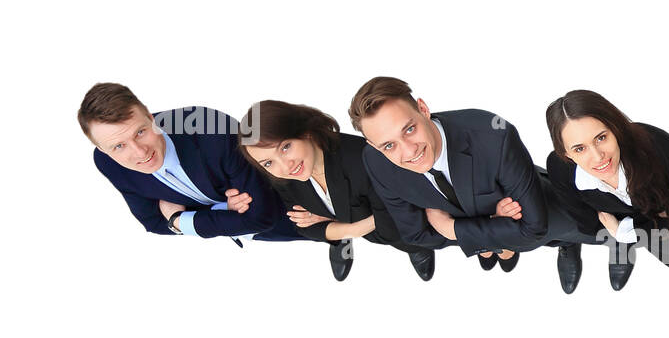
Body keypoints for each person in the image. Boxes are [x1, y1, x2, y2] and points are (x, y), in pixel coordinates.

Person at [348, 77, 596, 293]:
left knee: (569, 231)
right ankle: (494, 251)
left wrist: (453, 229)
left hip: (544, 210)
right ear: (373, 145)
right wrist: (485, 233)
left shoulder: (493, 136)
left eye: (410, 129)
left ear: (423, 109)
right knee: (495, 249)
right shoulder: (376, 161)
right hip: (505, 224)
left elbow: (534, 228)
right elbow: (417, 235)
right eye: (388, 145)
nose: (409, 151)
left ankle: (567, 245)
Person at [78, 83, 301, 245]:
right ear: (101, 148)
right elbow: (153, 222)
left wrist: (177, 220)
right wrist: (223, 210)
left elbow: (261, 216)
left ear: (149, 116)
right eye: (119, 146)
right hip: (261, 231)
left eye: (141, 132)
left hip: (296, 192)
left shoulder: (210, 129)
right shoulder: (107, 162)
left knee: (332, 227)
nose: (140, 152)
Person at [238, 100, 436, 282]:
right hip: (363, 218)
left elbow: (389, 226)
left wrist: (335, 223)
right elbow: (305, 227)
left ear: (305, 132)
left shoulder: (363, 161)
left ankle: (417, 248)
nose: (284, 166)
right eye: (268, 162)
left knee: (406, 236)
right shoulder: (284, 177)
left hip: (396, 227)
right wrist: (352, 227)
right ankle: (339, 239)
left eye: (285, 147)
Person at [544, 89, 669, 290]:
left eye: (601, 138)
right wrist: (626, 231)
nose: (597, 156)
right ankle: (621, 244)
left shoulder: (655, 146)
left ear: (615, 128)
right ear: (566, 154)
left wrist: (625, 230)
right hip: (651, 223)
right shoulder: (561, 168)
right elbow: (587, 224)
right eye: (579, 149)